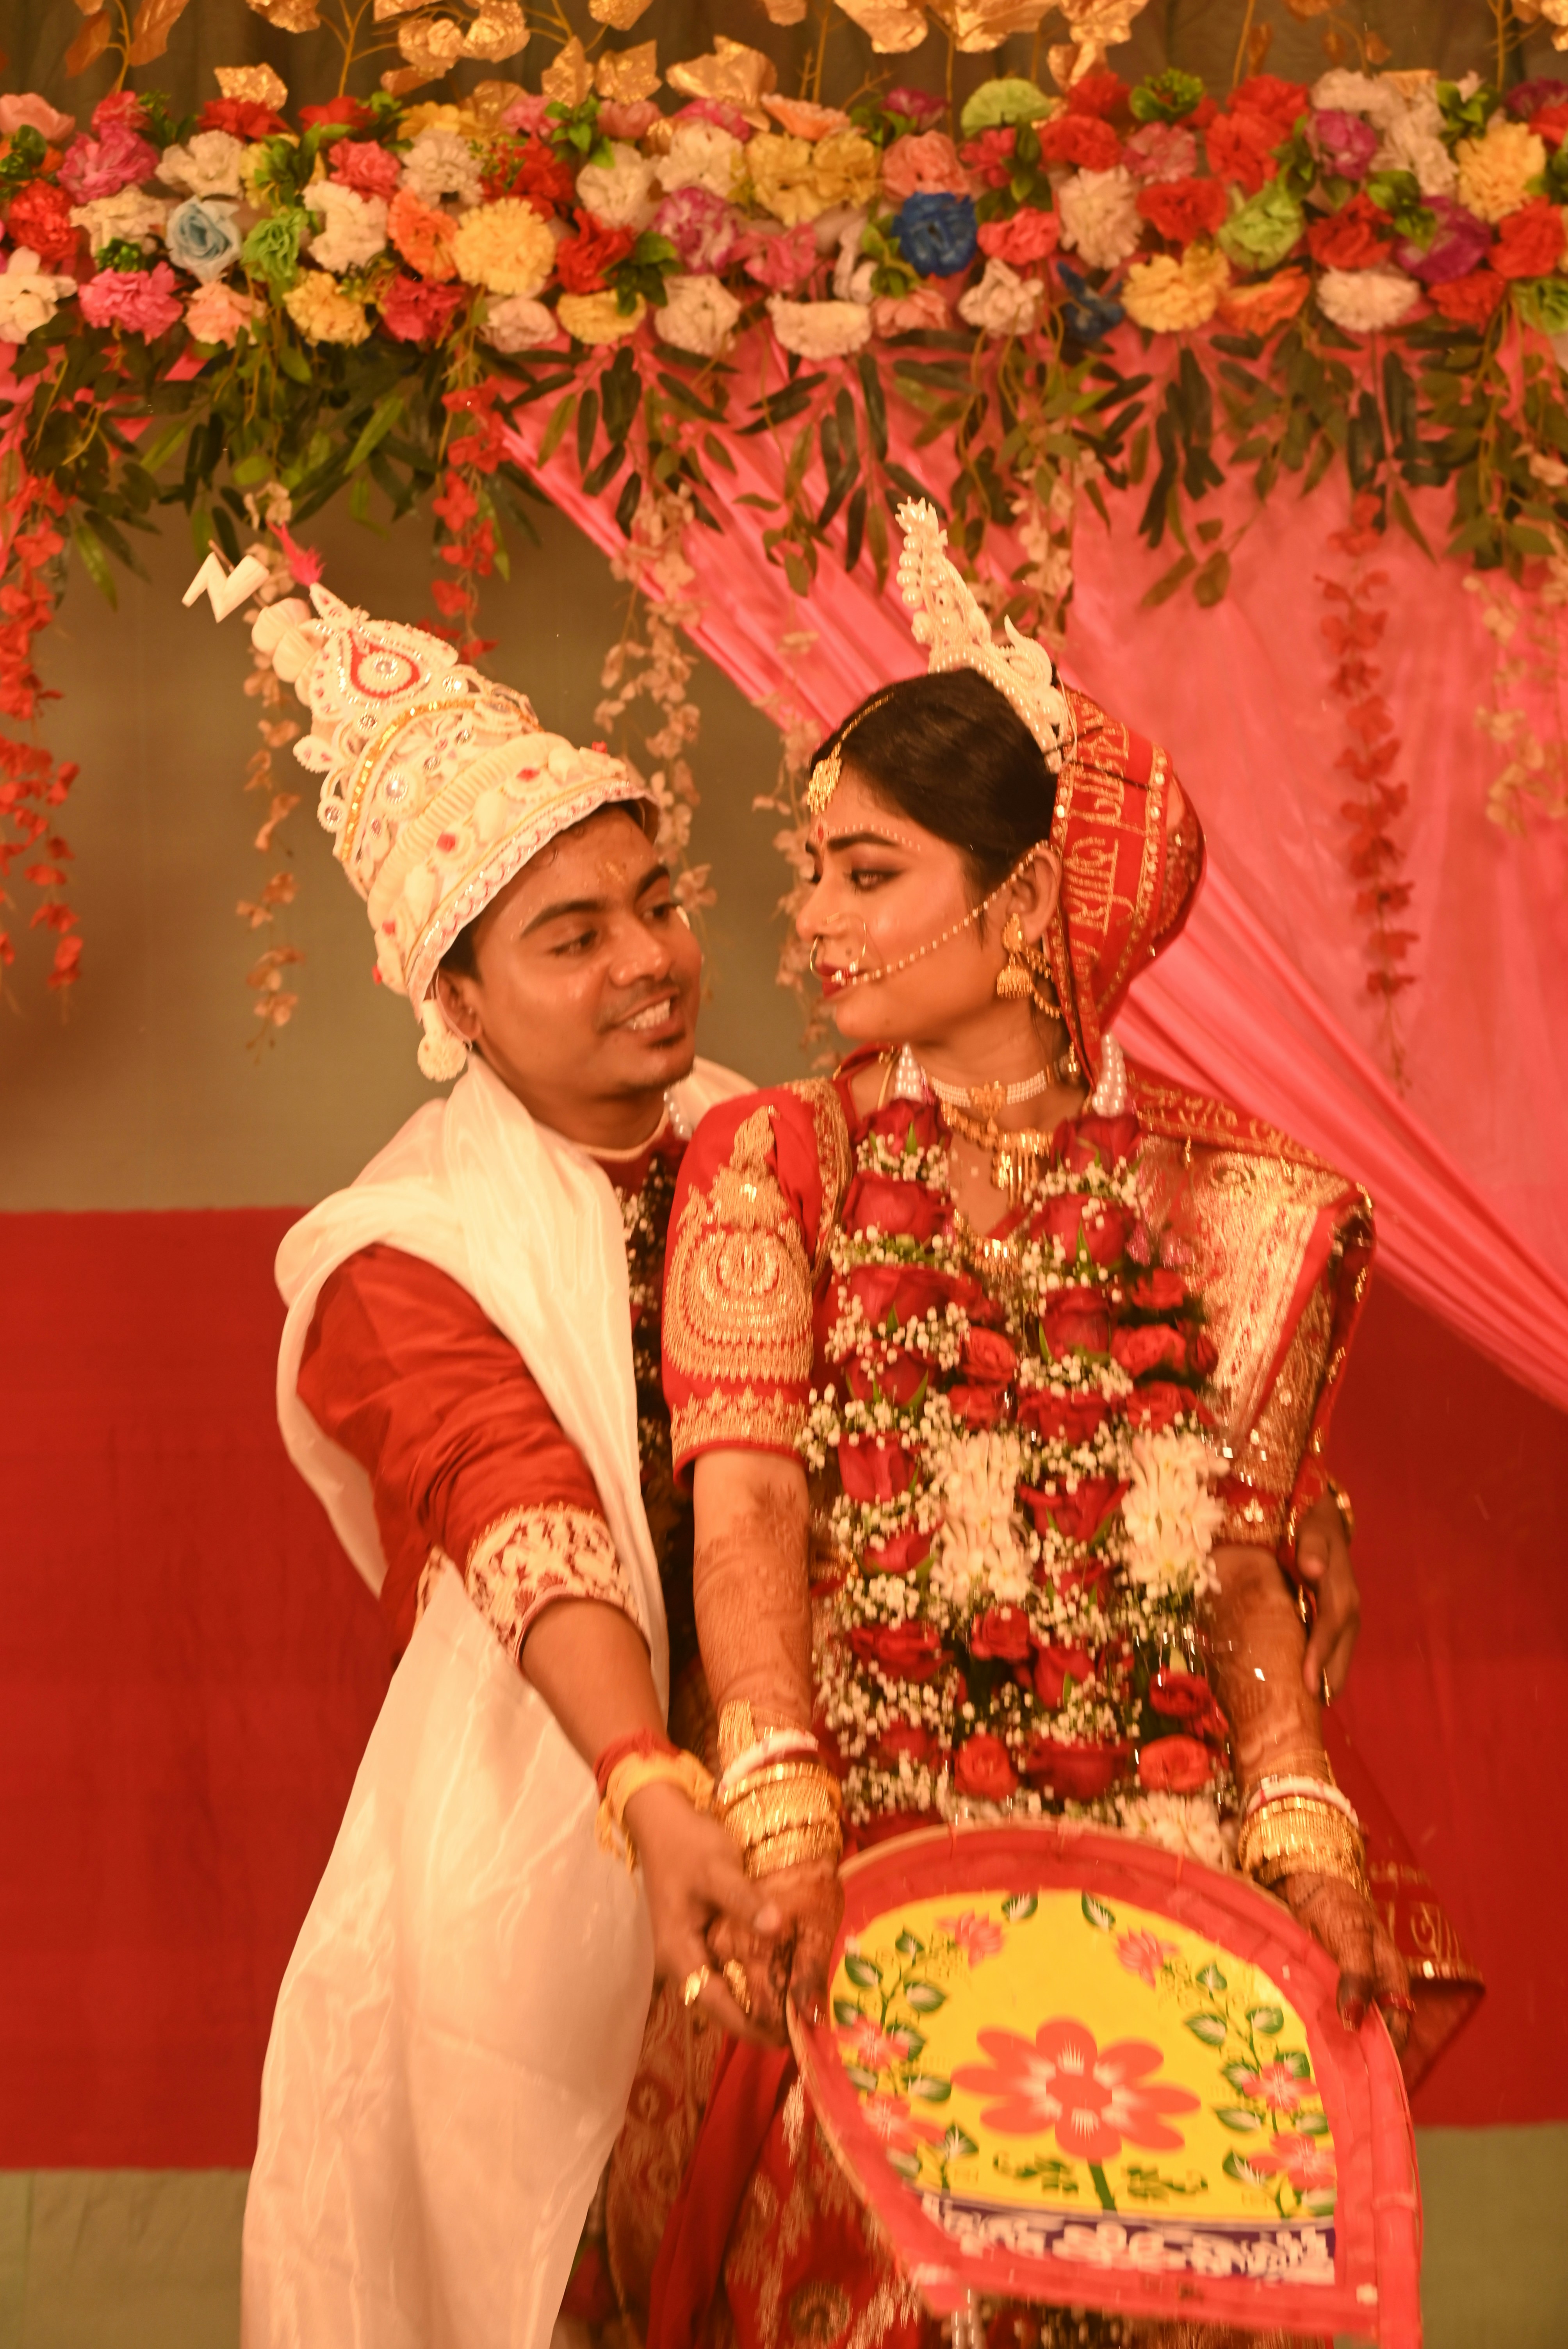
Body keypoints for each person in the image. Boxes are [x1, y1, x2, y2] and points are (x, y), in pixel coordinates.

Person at [642, 504, 1448, 2347]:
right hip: (872, 1854)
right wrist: (782, 1823)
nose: (811, 917)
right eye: (815, 869)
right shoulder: (780, 1161)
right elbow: (748, 1513)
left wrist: (1301, 1845)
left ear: (1023, 905)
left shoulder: (1225, 1206)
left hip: (1153, 1861)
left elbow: (1228, 1566)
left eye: (867, 874)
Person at [226, 579, 775, 2349]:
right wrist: (649, 1779)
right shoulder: (400, 1251)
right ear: (453, 996)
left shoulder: (791, 1154)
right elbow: (511, 1492)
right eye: (569, 935)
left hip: (810, 1792)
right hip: (548, 1828)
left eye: (656, 902)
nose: (646, 960)